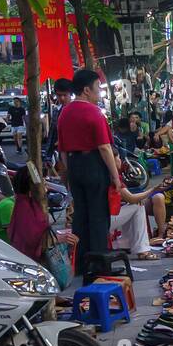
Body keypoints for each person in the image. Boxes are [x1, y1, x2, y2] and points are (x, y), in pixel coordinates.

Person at [55, 68, 122, 268]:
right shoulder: (94, 112)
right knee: (98, 216)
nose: (99, 91)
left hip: (74, 166)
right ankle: (100, 265)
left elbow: (62, 151)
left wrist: (68, 176)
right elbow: (104, 147)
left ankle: (81, 264)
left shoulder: (64, 113)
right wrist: (115, 176)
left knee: (80, 217)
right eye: (98, 87)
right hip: (94, 165)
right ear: (86, 90)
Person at [5, 165, 50, 261]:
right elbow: (33, 239)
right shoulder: (25, 206)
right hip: (27, 259)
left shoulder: (27, 202)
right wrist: (59, 238)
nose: (46, 184)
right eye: (43, 181)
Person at [110, 184, 159, 260]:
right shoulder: (112, 178)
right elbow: (132, 199)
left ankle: (125, 243)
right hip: (101, 221)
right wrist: (153, 189)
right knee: (138, 205)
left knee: (134, 204)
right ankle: (142, 250)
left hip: (96, 220)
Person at [44, 79, 73, 179]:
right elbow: (52, 134)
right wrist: (48, 156)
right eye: (59, 95)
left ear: (71, 94)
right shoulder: (57, 111)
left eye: (65, 95)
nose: (62, 98)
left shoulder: (77, 110)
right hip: (62, 154)